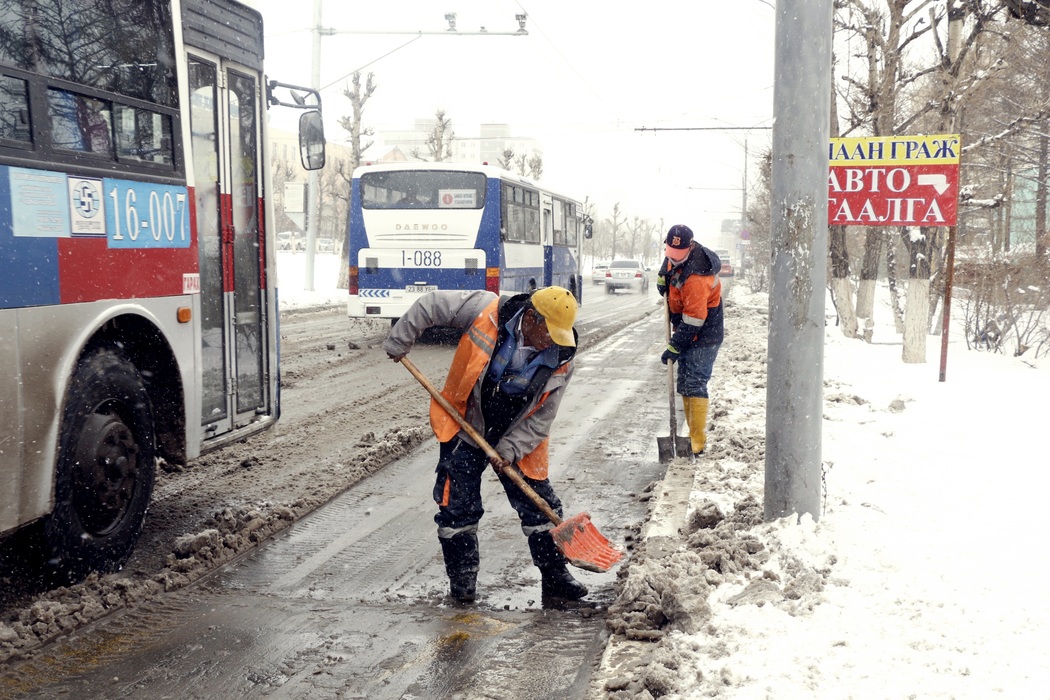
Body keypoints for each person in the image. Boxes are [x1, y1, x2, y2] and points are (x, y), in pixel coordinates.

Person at [383, 286, 588, 603]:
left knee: (539, 505)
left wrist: (508, 451)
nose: (554, 342)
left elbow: (542, 419)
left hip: (517, 433)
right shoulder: (485, 309)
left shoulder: (562, 358)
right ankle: (463, 585)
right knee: (457, 507)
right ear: (531, 318)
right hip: (465, 419)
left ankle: (556, 577)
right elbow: (431, 304)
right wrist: (401, 338)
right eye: (550, 333)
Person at [656, 224, 724, 457]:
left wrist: (675, 346)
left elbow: (695, 319)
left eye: (679, 255)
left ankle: (697, 440)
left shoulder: (696, 275)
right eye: (670, 254)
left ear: (690, 246)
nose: (674, 259)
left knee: (694, 383)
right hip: (687, 328)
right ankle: (687, 436)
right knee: (684, 383)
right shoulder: (674, 259)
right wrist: (662, 278)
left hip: (704, 335)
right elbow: (667, 268)